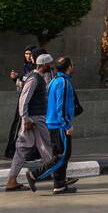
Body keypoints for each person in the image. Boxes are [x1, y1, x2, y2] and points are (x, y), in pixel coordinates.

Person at [23, 56, 77, 194]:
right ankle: (34, 175)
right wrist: (66, 125)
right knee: (62, 156)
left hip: (53, 123)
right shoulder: (63, 83)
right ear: (68, 67)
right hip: (60, 125)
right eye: (72, 64)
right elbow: (61, 106)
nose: (73, 67)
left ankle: (59, 185)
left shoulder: (54, 81)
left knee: (59, 155)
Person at [5, 55, 57, 192]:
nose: (51, 65)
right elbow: (23, 100)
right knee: (46, 147)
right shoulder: (34, 79)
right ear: (44, 65)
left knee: (23, 149)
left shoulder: (38, 77)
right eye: (50, 63)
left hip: (33, 119)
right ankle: (58, 178)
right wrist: (26, 119)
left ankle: (11, 181)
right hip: (35, 119)